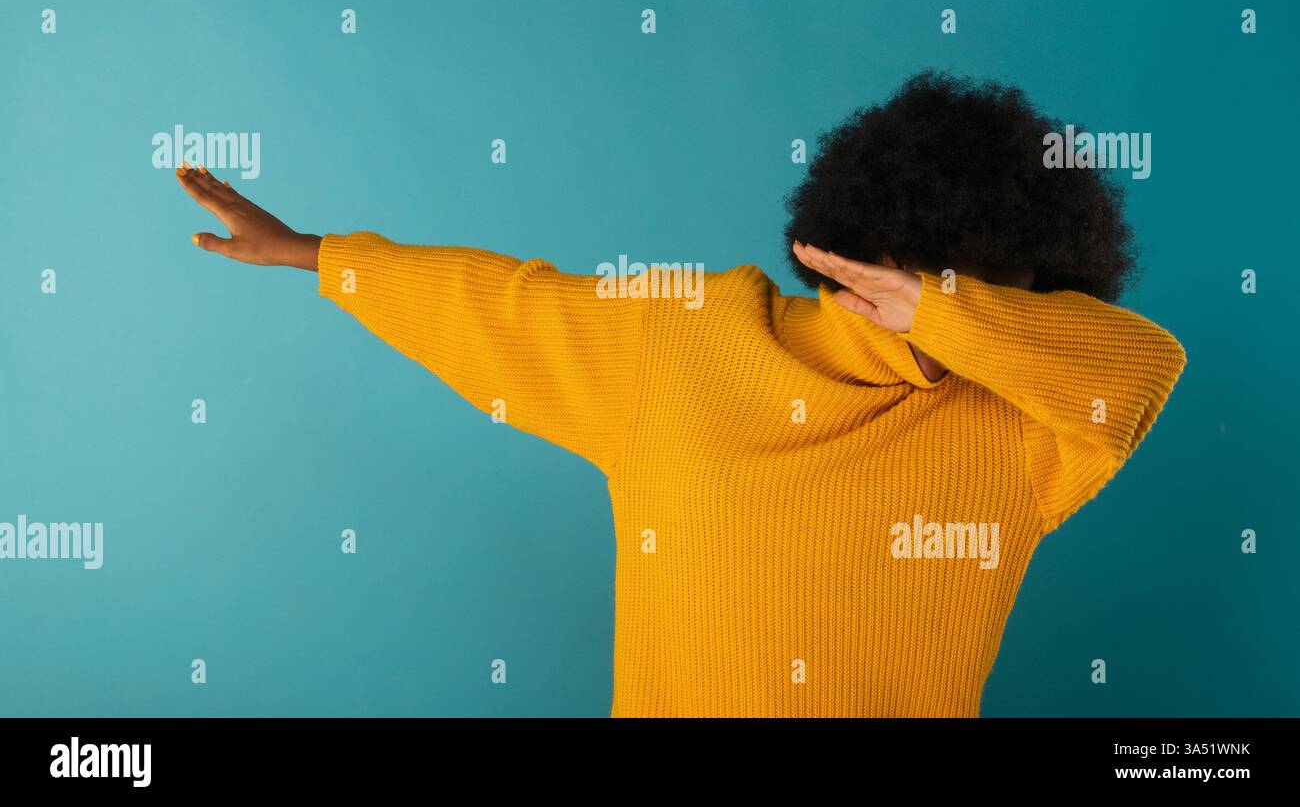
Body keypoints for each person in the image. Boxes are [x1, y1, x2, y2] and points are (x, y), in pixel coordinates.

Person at [173, 71, 1186, 716]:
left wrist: (943, 315)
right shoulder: (682, 345)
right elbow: (503, 304)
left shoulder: (1021, 421)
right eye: (930, 271)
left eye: (995, 288)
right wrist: (315, 254)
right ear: (866, 240)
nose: (944, 304)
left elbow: (1140, 365)